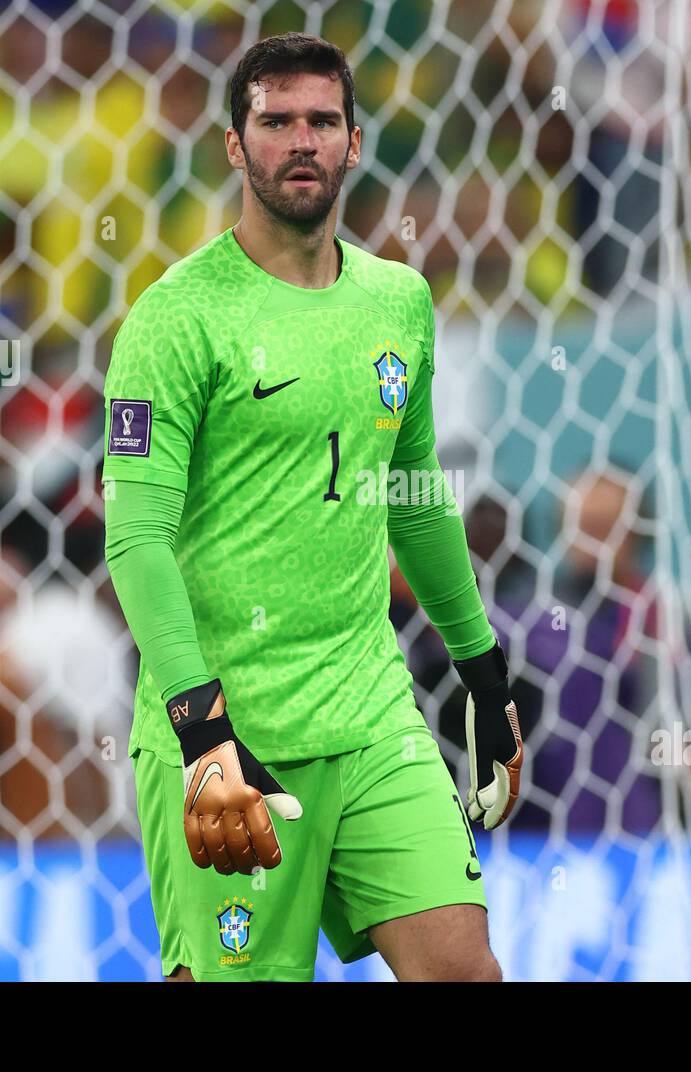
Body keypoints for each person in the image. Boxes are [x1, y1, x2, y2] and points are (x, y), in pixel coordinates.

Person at [102, 33, 523, 982]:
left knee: (466, 971)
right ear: (234, 144)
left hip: (371, 712)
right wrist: (202, 733)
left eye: (322, 121)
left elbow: (413, 501)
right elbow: (134, 536)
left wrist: (484, 674)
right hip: (230, 736)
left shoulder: (399, 301)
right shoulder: (175, 318)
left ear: (354, 142)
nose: (302, 139)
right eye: (276, 119)